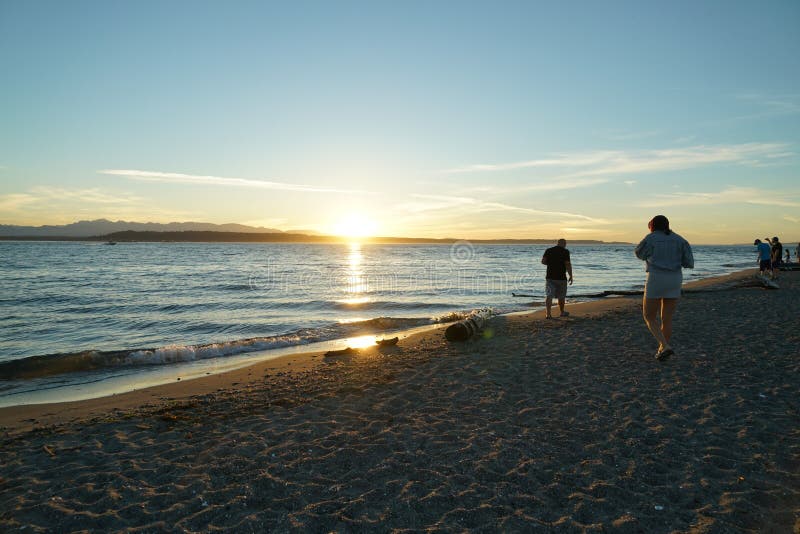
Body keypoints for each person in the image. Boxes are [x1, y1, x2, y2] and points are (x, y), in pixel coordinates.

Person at [634, 215, 694, 361]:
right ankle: (662, 349)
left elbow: (639, 253)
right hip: (674, 278)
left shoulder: (651, 238)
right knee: (667, 318)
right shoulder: (680, 239)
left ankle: (664, 345)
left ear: (652, 226)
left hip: (657, 277)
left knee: (649, 316)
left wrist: (652, 257)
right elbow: (689, 262)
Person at [541, 238, 573, 319]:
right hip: (561, 277)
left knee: (549, 295)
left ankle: (548, 314)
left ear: (557, 243)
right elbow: (567, 264)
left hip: (550, 277)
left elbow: (543, 261)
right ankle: (562, 312)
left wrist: (551, 264)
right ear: (564, 243)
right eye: (565, 243)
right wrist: (571, 276)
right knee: (561, 296)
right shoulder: (565, 251)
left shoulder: (549, 250)